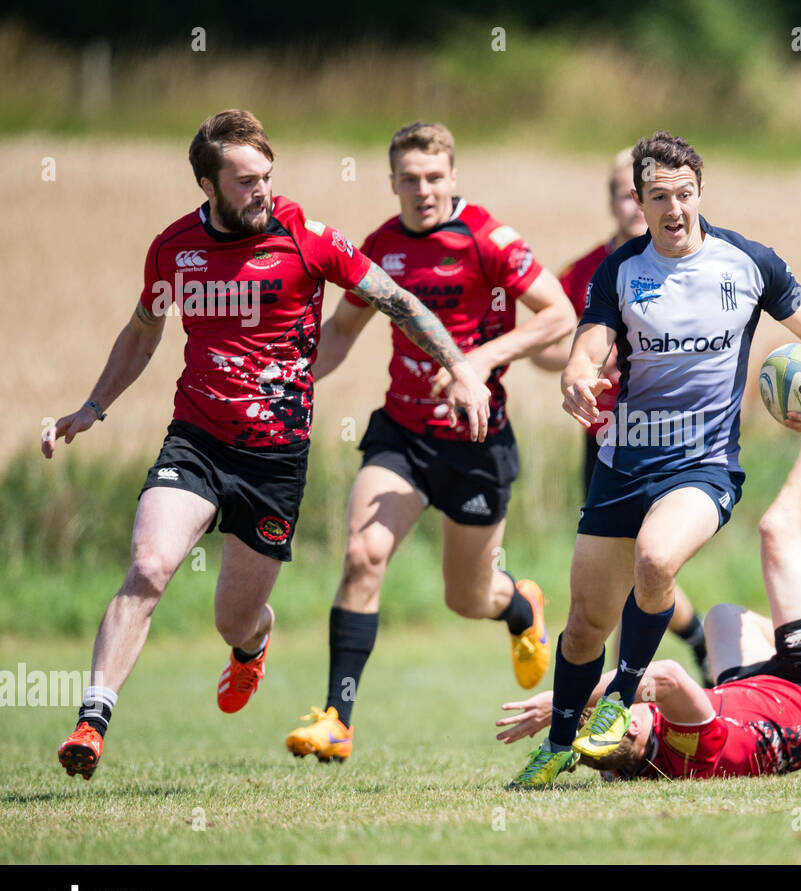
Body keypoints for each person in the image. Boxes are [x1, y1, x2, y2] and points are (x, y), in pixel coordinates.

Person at [42, 109, 490, 780]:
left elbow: (394, 299)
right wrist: (93, 405)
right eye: (246, 180)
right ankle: (92, 719)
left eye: (267, 177)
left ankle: (252, 644)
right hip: (195, 439)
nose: (262, 191)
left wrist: (458, 365)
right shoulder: (173, 250)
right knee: (150, 564)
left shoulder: (306, 237)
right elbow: (143, 330)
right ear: (208, 184)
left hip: (275, 458)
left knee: (233, 619)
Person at [508, 128, 801, 789]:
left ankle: (617, 704)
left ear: (700, 192)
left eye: (683, 194)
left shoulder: (748, 263)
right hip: (622, 464)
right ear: (638, 205)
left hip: (702, 465)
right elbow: (588, 344)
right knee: (586, 621)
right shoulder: (621, 270)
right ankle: (560, 745)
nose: (673, 209)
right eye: (657, 197)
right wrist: (576, 377)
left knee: (656, 558)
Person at [282, 122, 577, 763]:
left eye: (435, 177)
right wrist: (290, 379)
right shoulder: (380, 249)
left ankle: (520, 607)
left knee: (467, 598)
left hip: (476, 442)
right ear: (392, 183)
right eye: (410, 179)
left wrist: (473, 364)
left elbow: (560, 316)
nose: (423, 190)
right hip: (403, 434)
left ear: (453, 177)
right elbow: (337, 334)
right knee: (363, 555)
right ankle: (337, 719)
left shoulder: (488, 239)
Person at [495, 428, 801, 782]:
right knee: (779, 528)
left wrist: (581, 736)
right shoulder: (689, 738)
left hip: (750, 691)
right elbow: (666, 677)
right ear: (630, 727)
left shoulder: (639, 763)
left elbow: (616, 758)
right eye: (620, 715)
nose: (622, 711)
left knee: (724, 619)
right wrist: (564, 703)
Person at [531, 148, 712, 686]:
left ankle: (624, 691)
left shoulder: (697, 259)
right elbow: (545, 347)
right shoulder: (589, 271)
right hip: (608, 440)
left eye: (672, 194)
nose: (643, 205)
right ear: (624, 198)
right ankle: (690, 638)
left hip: (675, 439)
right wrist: (582, 363)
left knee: (647, 565)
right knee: (619, 577)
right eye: (626, 193)